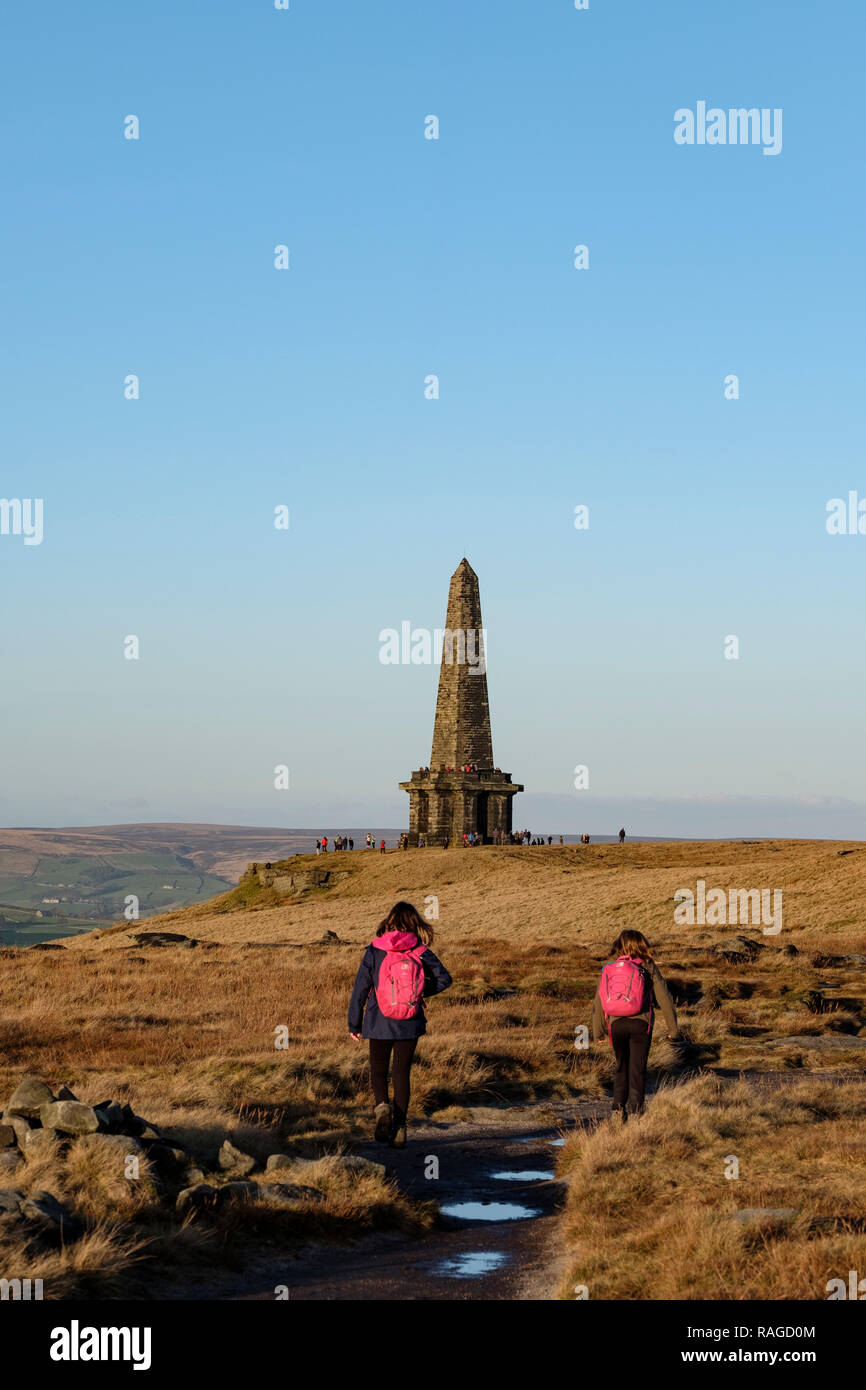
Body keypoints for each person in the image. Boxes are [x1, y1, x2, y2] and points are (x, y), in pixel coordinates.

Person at [348, 901, 452, 1147]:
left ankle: (382, 1107)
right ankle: (400, 1129)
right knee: (402, 1073)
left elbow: (359, 991)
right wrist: (419, 993)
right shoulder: (419, 950)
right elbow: (445, 979)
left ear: (390, 922)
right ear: (415, 923)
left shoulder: (374, 950)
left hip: (378, 1020)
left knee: (378, 1070)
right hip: (410, 1021)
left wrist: (355, 1024)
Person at [590, 929, 678, 1120]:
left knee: (621, 1066)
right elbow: (665, 999)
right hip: (641, 1024)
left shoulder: (609, 968)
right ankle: (636, 1114)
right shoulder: (648, 966)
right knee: (637, 1068)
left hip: (616, 1025)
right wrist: (673, 1029)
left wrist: (598, 1032)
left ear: (619, 945)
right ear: (641, 943)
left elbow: (598, 1002)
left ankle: (617, 1111)